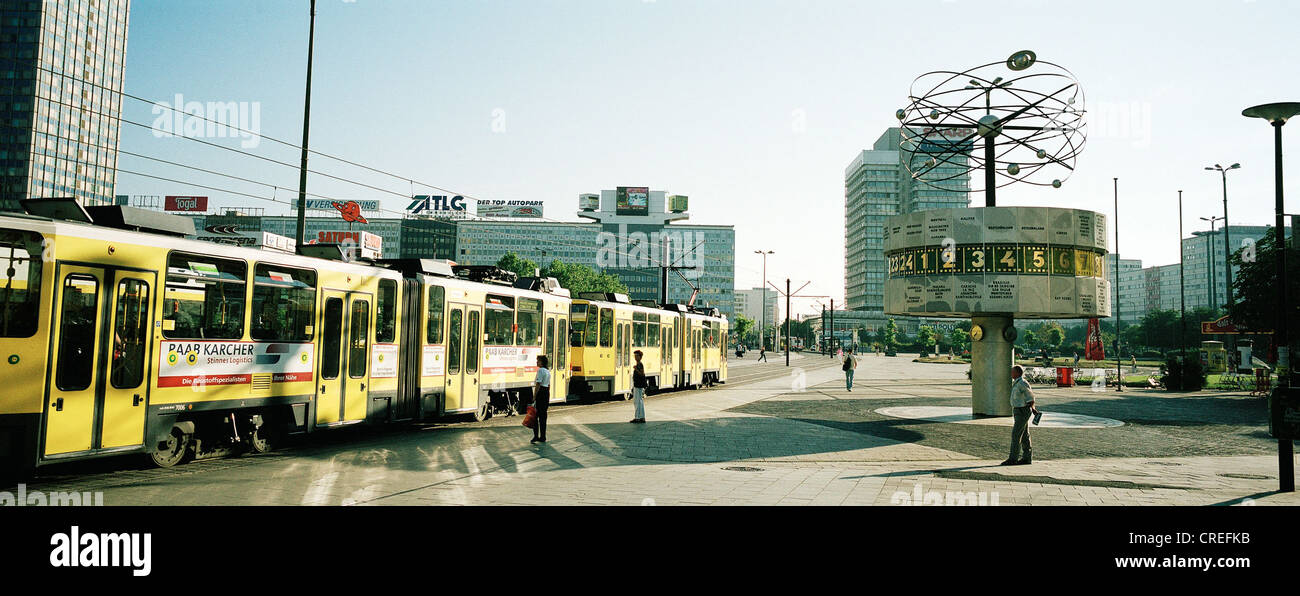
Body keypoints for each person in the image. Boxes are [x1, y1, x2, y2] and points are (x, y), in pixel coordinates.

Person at [1001, 365, 1039, 465]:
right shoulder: (1017, 382)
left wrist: (1033, 407)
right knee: (1025, 435)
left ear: (1018, 373)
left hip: (1023, 410)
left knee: (1016, 434)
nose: (1011, 373)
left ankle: (1013, 458)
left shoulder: (1022, 383)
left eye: (1012, 372)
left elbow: (1030, 396)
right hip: (1018, 410)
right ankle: (1027, 458)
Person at [531, 355, 551, 444]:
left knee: (535, 416)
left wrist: (534, 396)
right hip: (546, 392)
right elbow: (549, 385)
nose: (537, 362)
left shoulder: (540, 370)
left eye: (538, 361)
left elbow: (538, 384)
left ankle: (535, 436)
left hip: (541, 393)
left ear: (542, 362)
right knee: (543, 416)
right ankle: (543, 436)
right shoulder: (548, 371)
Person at [630, 350, 647, 424]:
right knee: (640, 401)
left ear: (640, 357)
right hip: (638, 385)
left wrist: (636, 369)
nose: (635, 357)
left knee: (637, 401)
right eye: (635, 355)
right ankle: (642, 417)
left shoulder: (639, 364)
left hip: (638, 385)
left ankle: (637, 418)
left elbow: (642, 374)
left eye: (637, 355)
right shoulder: (639, 364)